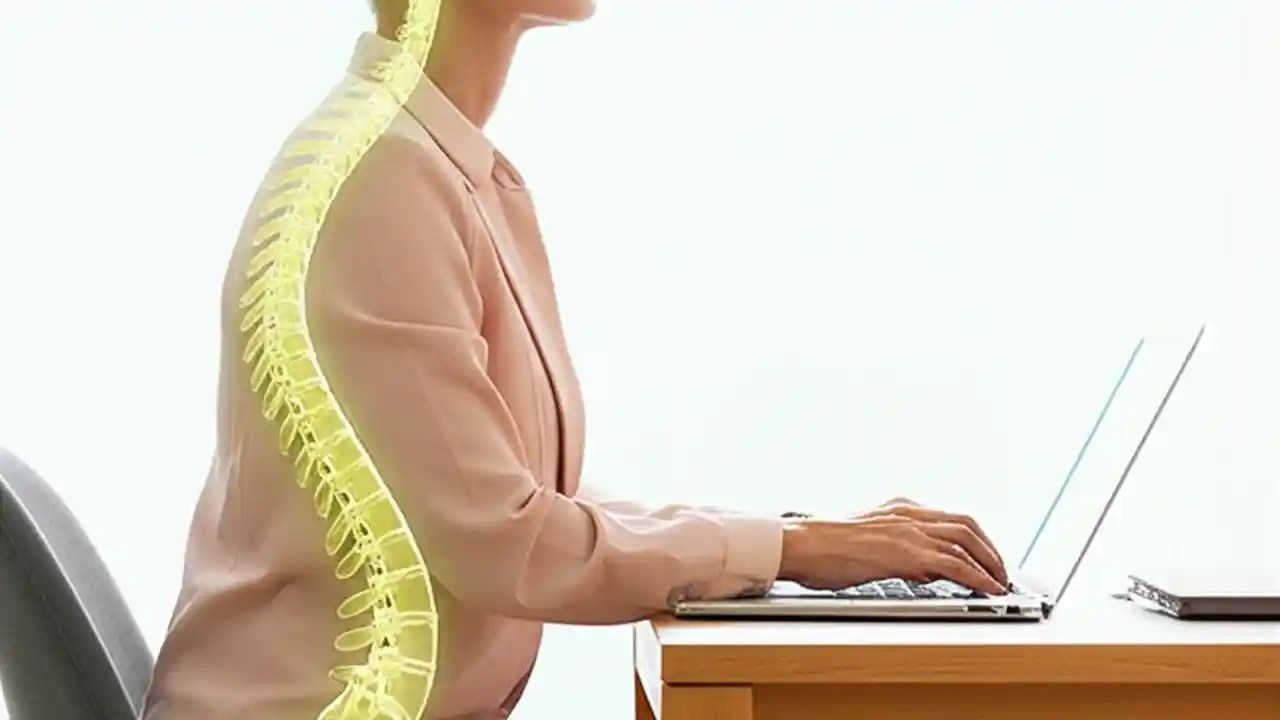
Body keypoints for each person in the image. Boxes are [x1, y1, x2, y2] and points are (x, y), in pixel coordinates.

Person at [143, 1, 1010, 718]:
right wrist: (788, 549)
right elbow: (507, 542)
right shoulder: (381, 185)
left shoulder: (433, 165)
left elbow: (526, 499)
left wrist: (786, 542)